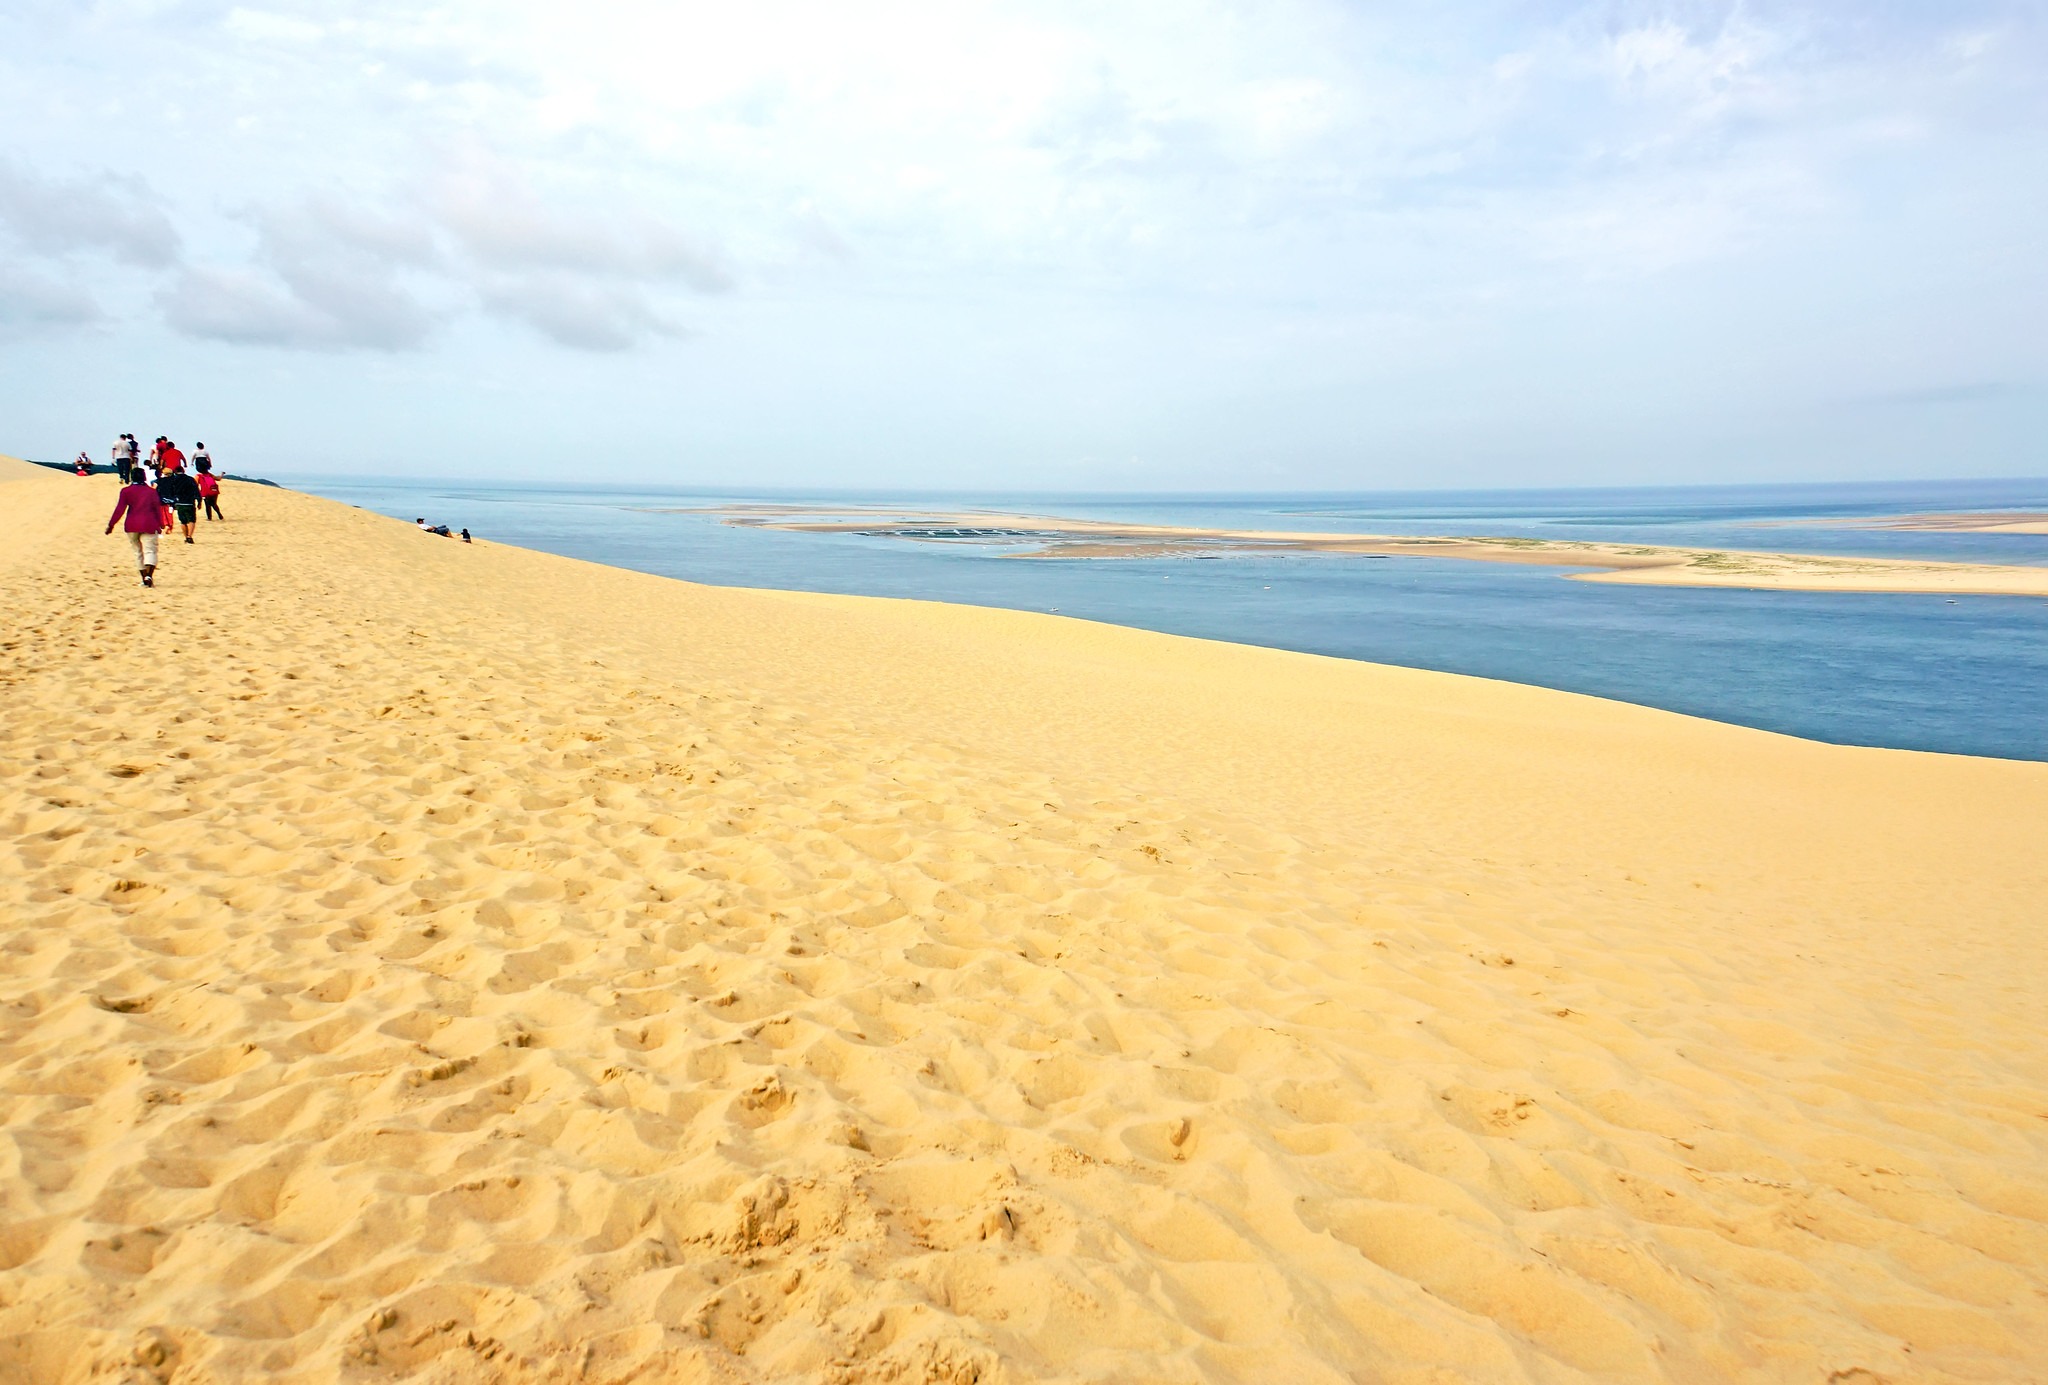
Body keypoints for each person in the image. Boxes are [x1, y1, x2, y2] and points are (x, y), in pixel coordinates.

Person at [107, 471, 171, 586]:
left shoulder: (126, 491)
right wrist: (161, 523)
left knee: (137, 552)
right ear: (145, 477)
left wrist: (111, 524)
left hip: (132, 525)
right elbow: (157, 508)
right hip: (149, 524)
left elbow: (120, 509)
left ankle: (144, 578)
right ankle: (149, 576)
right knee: (150, 551)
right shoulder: (151, 492)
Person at [157, 464, 201, 544]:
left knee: (183, 521)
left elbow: (171, 491)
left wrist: (172, 502)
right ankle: (189, 536)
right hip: (189, 502)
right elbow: (196, 490)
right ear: (183, 471)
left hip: (179, 503)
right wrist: (199, 501)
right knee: (191, 520)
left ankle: (186, 537)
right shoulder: (190, 479)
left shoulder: (174, 480)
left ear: (175, 472)